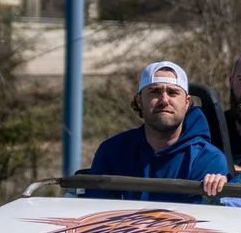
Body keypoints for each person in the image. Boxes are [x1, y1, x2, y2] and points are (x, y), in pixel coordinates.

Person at [86, 61, 228, 202]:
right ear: (139, 100)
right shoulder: (112, 151)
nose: (164, 100)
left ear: (187, 102)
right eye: (155, 92)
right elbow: (96, 213)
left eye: (173, 93)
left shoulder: (207, 159)